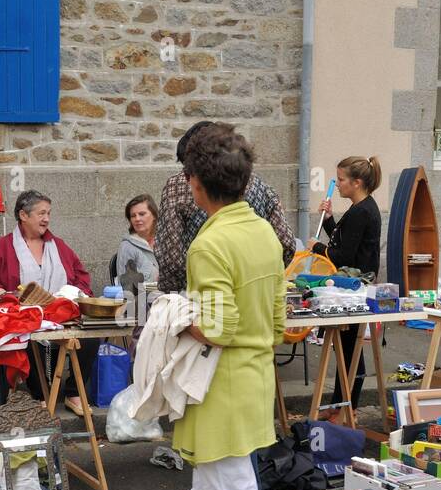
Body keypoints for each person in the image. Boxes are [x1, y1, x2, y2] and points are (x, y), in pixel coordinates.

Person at [135, 124, 292, 490]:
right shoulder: (264, 232)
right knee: (211, 483)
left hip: (220, 386)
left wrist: (173, 317)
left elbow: (217, 328)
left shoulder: (209, 243)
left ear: (196, 183)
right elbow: (274, 320)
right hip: (253, 380)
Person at [0, 190, 95, 415]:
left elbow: (82, 276)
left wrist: (72, 294)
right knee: (28, 336)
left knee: (92, 337)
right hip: (25, 314)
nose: (46, 219)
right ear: (23, 215)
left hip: (59, 312)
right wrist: (3, 293)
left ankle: (73, 392)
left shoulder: (58, 245)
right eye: (41, 213)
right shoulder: (3, 246)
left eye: (48, 213)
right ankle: (40, 395)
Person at [155, 121, 296, 294]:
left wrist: (176, 295)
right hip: (259, 295)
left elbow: (171, 257)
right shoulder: (258, 186)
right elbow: (286, 243)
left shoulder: (178, 189)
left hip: (198, 296)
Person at [313, 156, 384, 422]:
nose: (339, 184)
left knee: (351, 350)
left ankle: (347, 406)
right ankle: (339, 403)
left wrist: (316, 248)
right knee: (344, 347)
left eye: (342, 180)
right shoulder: (360, 209)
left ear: (356, 182)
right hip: (355, 285)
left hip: (356, 287)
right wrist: (330, 221)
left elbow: (343, 255)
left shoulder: (362, 211)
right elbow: (344, 240)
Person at [115, 194, 159, 288]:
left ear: (154, 215)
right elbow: (127, 288)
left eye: (142, 214)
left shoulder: (166, 241)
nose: (137, 219)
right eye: (133, 216)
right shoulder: (127, 247)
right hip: (143, 301)